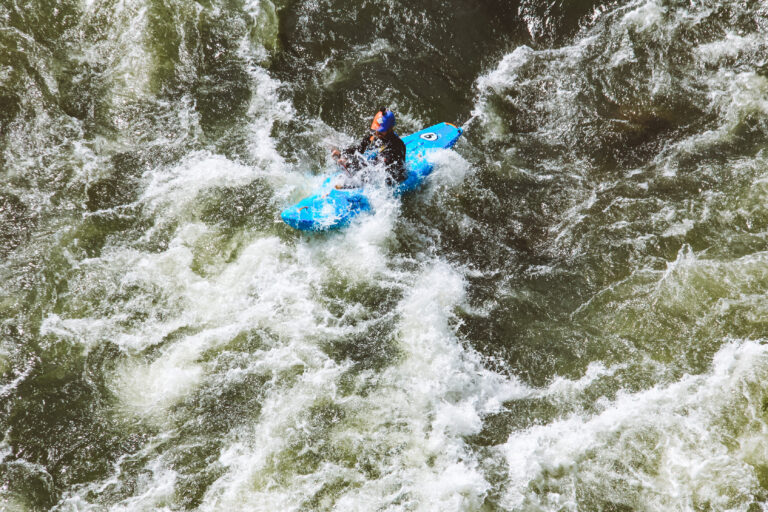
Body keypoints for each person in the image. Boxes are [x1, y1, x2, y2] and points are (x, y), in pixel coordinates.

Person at [331, 107, 407, 186]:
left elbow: (377, 168)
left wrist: (349, 164)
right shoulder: (375, 136)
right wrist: (343, 154)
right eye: (377, 129)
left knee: (365, 168)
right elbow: (359, 149)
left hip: (393, 179)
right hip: (377, 171)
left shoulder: (396, 147)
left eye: (381, 130)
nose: (377, 132)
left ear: (390, 129)